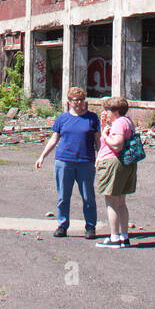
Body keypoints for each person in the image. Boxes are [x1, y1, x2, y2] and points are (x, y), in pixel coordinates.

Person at [34, 86, 100, 238]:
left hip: (86, 162)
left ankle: (90, 227)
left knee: (88, 196)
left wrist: (100, 157)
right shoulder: (63, 118)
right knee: (63, 196)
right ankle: (62, 225)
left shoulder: (92, 118)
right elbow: (54, 138)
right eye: (75, 100)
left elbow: (98, 139)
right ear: (69, 102)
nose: (78, 103)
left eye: (81, 100)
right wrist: (42, 156)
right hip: (64, 161)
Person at [95, 97, 137, 248]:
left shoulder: (119, 123)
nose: (105, 113)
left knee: (111, 201)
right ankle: (124, 236)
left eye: (108, 110)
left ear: (116, 111)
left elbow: (117, 144)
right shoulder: (127, 121)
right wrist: (104, 126)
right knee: (121, 202)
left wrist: (105, 136)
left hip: (114, 163)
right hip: (125, 164)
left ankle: (114, 238)